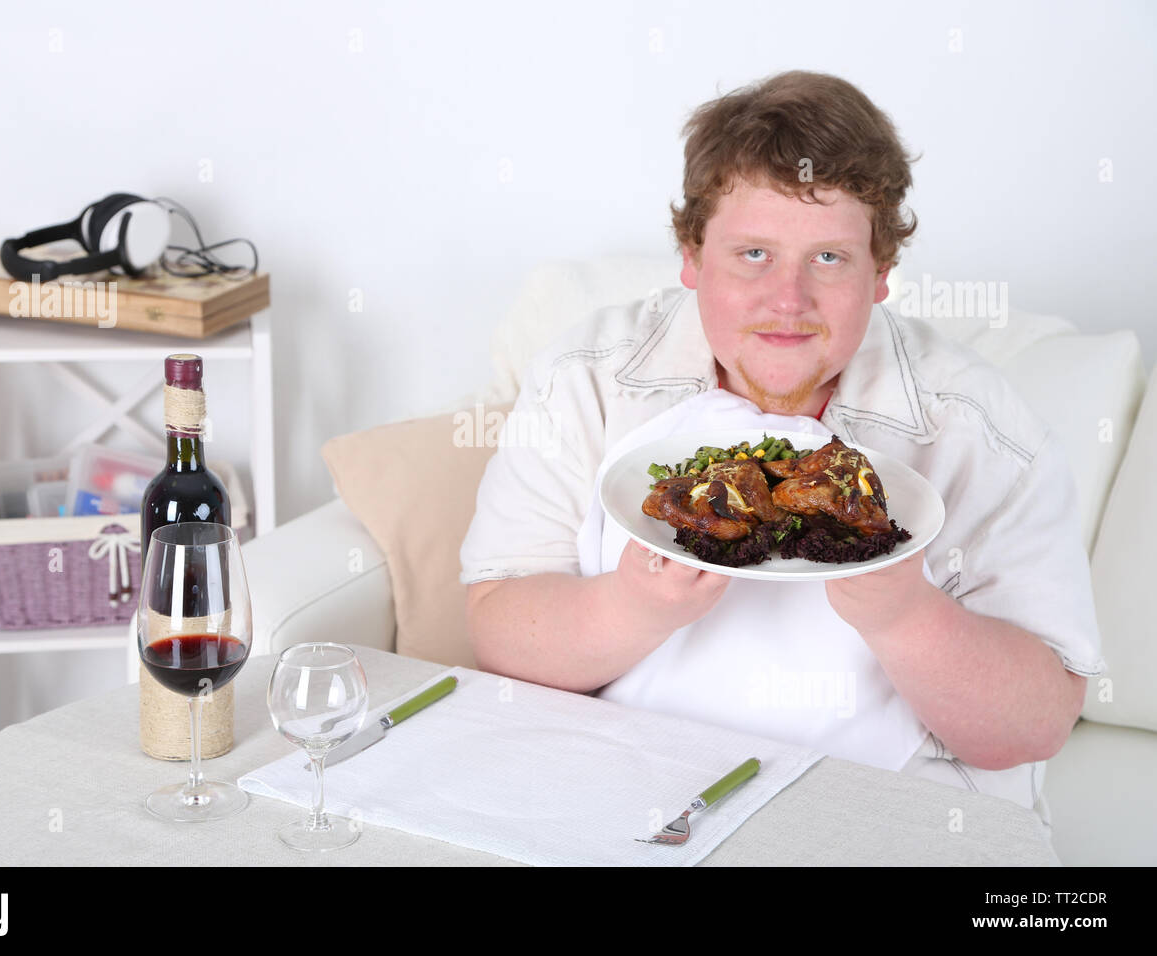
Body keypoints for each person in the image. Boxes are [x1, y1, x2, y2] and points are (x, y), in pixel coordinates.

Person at [459, 70, 1105, 831]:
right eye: (754, 254)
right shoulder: (587, 379)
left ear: (882, 274)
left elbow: (1033, 727)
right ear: (692, 256)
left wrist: (906, 615)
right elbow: (499, 624)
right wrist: (635, 605)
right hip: (634, 790)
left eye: (829, 259)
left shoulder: (983, 428)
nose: (789, 301)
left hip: (890, 813)